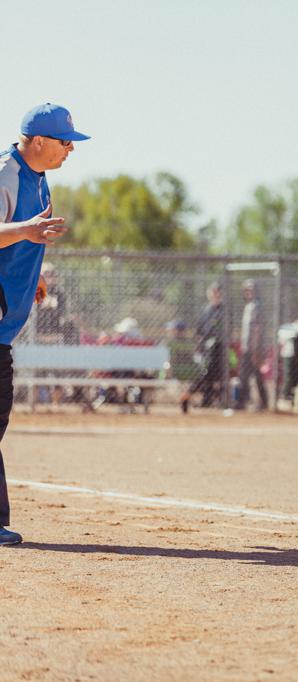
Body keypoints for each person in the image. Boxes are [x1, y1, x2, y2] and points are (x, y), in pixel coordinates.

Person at [0, 103, 88, 545]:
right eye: (64, 141)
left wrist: (33, 275)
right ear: (37, 141)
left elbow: (26, 234)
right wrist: (26, 231)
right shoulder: (5, 174)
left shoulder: (38, 177)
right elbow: (15, 229)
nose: (70, 149)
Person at [180, 282, 226, 412]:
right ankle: (189, 395)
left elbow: (224, 330)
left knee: (216, 375)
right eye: (213, 292)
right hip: (208, 349)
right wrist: (199, 344)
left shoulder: (223, 310)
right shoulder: (206, 310)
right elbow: (199, 330)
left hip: (220, 347)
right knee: (206, 373)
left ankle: (208, 400)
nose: (215, 295)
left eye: (218, 292)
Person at [235, 279, 268, 411]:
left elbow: (257, 330)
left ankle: (241, 402)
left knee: (245, 375)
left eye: (251, 290)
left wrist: (255, 350)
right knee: (254, 375)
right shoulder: (249, 306)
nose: (248, 292)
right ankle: (263, 401)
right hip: (247, 347)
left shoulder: (256, 307)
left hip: (253, 348)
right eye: (246, 290)